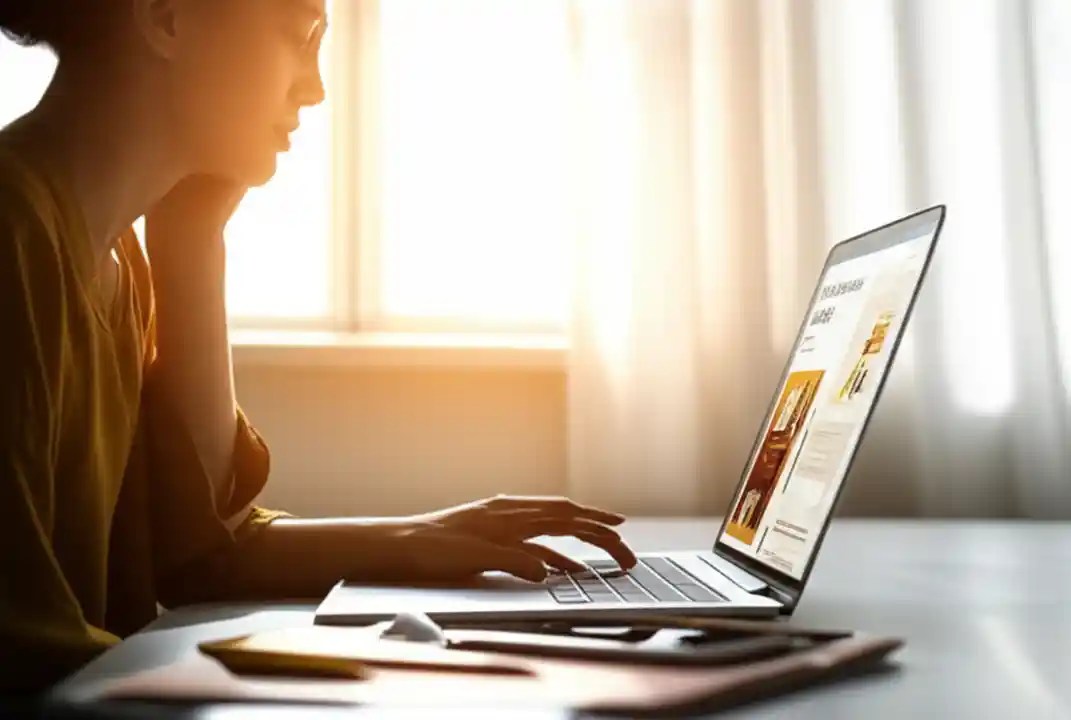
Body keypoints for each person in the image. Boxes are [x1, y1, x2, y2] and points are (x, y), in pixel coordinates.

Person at [0, 0, 636, 694]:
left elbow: (198, 549)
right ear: (167, 17)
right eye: (302, 36)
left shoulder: (114, 256)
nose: (315, 87)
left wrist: (193, 245)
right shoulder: (15, 239)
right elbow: (24, 651)